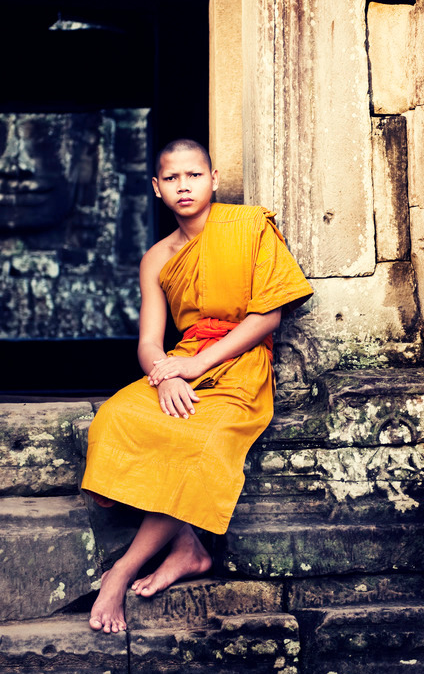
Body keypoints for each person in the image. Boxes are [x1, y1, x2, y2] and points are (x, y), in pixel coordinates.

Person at [81, 138, 313, 633]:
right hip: (181, 363)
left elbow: (267, 315)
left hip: (239, 362)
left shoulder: (248, 227)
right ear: (156, 189)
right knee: (115, 419)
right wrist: (165, 373)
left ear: (212, 179)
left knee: (197, 442)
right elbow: (149, 342)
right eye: (171, 178)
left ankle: (120, 572)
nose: (183, 186)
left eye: (193, 175)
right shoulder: (157, 257)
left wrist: (196, 366)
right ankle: (187, 547)